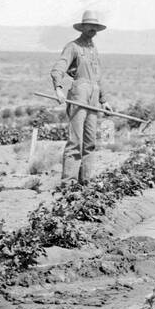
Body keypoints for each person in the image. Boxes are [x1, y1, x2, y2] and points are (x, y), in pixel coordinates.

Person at [50, 10, 113, 183]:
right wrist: (58, 88)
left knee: (90, 141)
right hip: (79, 94)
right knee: (75, 140)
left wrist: (104, 100)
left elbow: (98, 77)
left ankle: (86, 181)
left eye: (95, 26)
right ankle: (68, 182)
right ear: (83, 26)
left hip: (93, 96)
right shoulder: (73, 46)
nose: (93, 29)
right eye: (90, 25)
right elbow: (58, 68)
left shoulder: (93, 49)